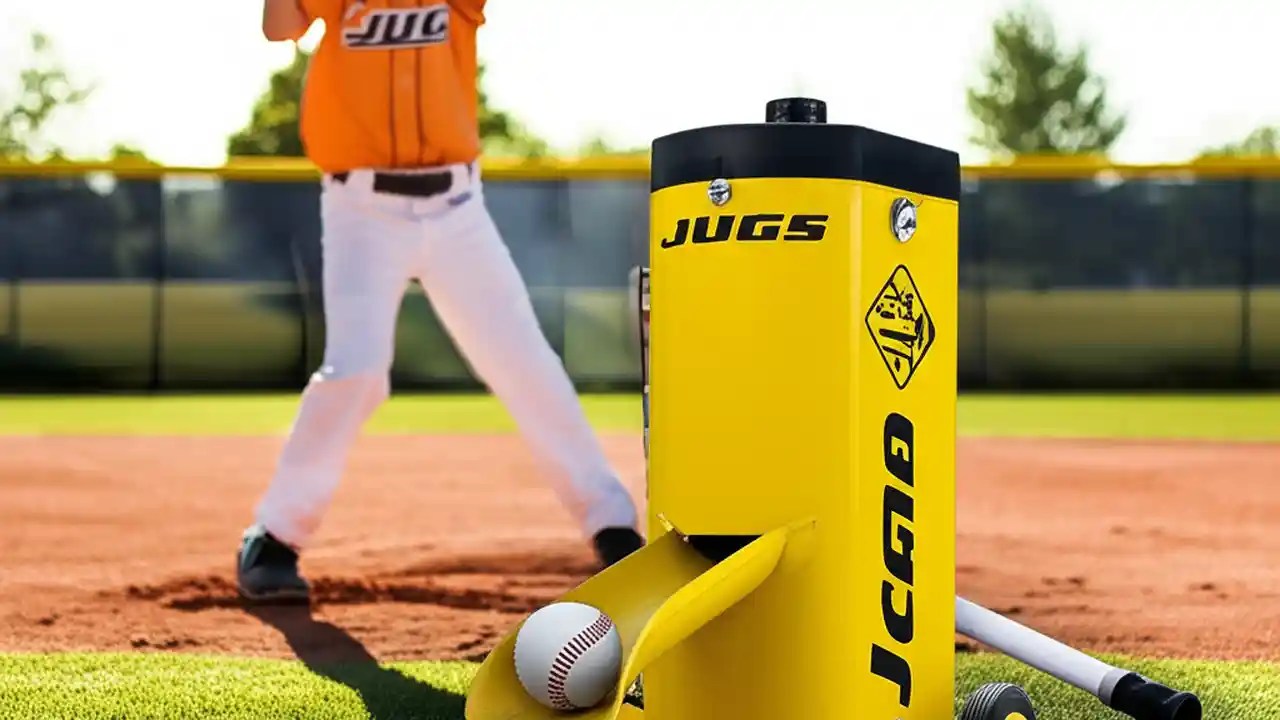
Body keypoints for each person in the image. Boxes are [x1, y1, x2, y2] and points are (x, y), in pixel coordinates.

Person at [237, 0, 645, 604]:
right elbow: (279, 28)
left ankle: (612, 525)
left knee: (523, 361)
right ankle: (275, 536)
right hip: (361, 210)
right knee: (356, 370)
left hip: (457, 211)